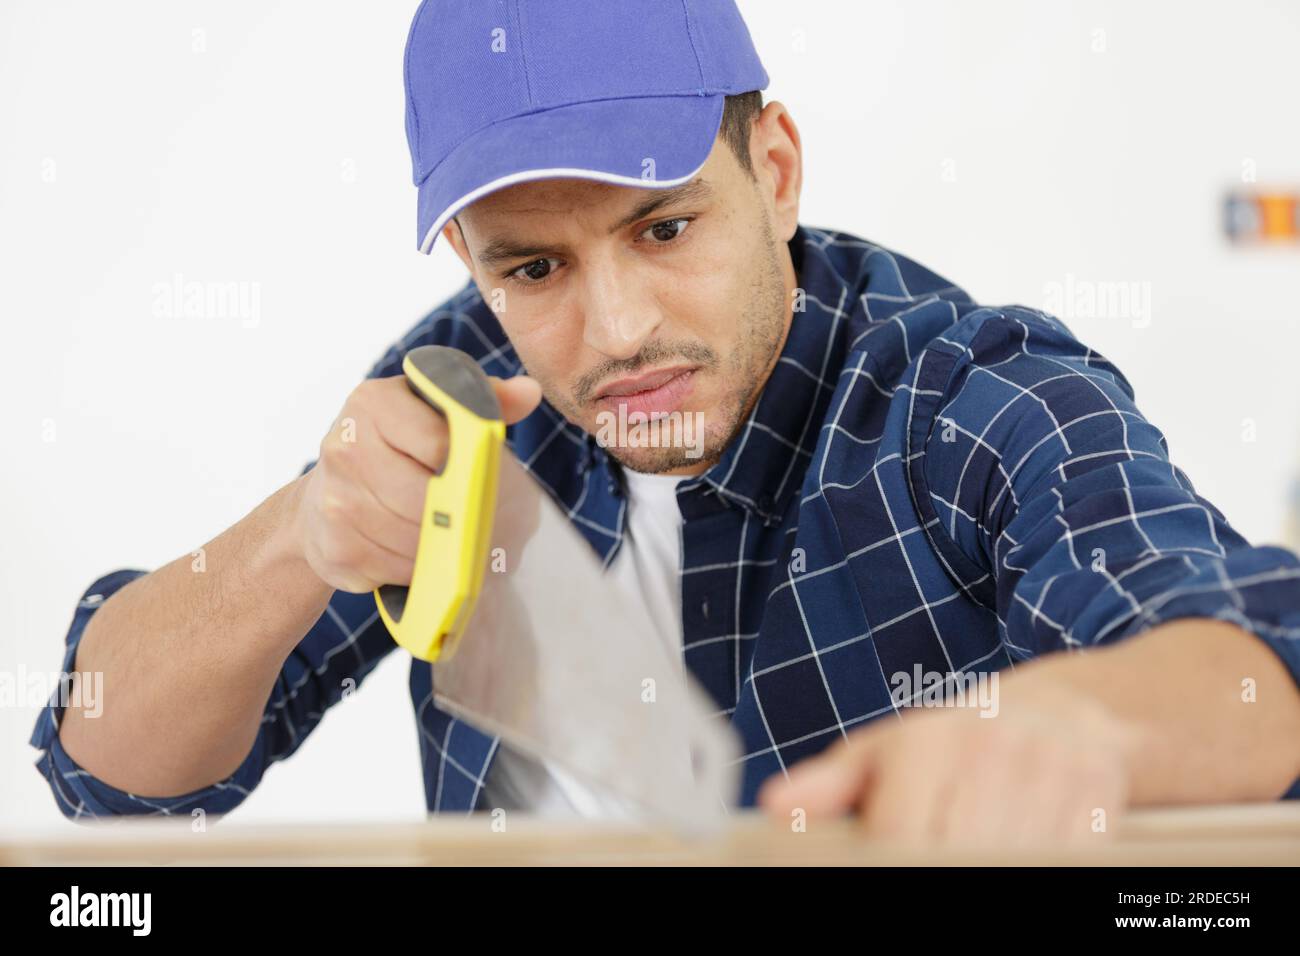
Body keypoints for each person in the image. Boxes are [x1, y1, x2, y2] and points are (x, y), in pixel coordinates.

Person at [32, 0, 1300, 846]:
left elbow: (1255, 662)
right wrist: (302, 538)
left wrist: (1079, 723)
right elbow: (105, 767)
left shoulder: (970, 396)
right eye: (533, 271)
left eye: (665, 228)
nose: (618, 329)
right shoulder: (467, 391)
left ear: (778, 170)